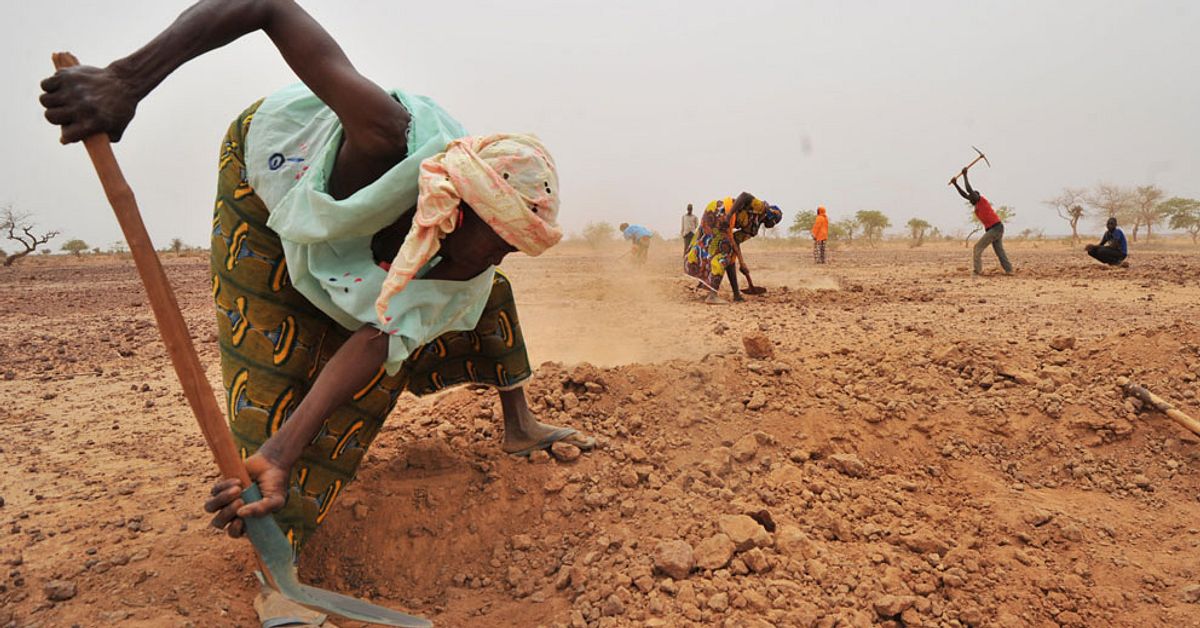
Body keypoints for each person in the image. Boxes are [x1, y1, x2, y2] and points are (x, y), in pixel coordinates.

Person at [40, 0, 596, 610]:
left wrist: (285, 453)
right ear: (452, 210)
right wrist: (127, 78)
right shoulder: (386, 137)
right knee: (275, 373)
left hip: (354, 245)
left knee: (474, 305)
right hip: (270, 181)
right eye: (493, 244)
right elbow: (265, 6)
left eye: (512, 250)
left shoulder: (471, 268)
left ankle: (519, 426)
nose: (494, 260)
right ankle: (277, 580)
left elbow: (376, 336)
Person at [684, 193, 782, 303]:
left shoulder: (753, 229)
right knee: (723, 253)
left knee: (730, 255)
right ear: (771, 216)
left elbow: (735, 241)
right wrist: (729, 215)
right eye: (774, 222)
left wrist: (741, 262)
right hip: (719, 211)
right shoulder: (761, 207)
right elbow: (744, 196)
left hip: (723, 221)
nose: (773, 225)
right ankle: (712, 296)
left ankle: (736, 295)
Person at [951, 168, 1013, 275]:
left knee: (977, 247)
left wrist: (965, 175)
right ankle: (1009, 270)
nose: (970, 198)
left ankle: (977, 271)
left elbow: (969, 190)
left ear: (976, 196)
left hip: (995, 228)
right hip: (996, 228)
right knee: (999, 251)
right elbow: (965, 194)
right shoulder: (976, 204)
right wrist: (955, 184)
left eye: (972, 196)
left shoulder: (981, 201)